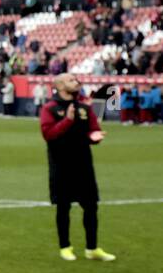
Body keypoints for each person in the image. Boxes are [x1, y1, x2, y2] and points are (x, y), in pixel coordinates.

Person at [40, 74, 114, 262]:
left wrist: (94, 136)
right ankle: (65, 247)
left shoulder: (85, 108)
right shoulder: (49, 109)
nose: (77, 83)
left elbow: (92, 130)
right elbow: (48, 134)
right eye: (72, 80)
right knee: (63, 207)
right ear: (60, 85)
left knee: (91, 206)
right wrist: (67, 120)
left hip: (83, 164)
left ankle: (92, 248)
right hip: (61, 164)